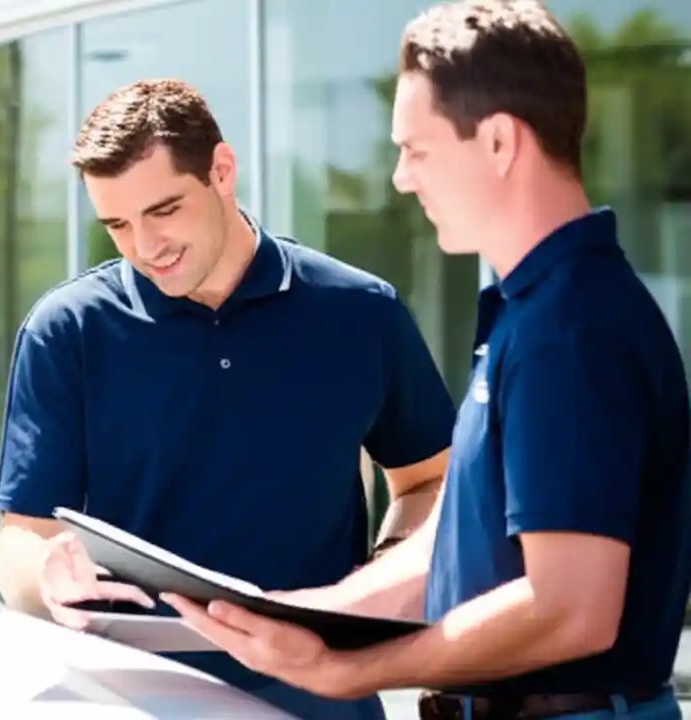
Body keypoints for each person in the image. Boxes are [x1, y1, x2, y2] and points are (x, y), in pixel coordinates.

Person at [163, 3, 691, 719]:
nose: (400, 180)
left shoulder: (571, 330)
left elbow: (571, 609)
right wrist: (304, 615)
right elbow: (457, 540)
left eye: (416, 149)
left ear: (500, 141)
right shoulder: (532, 311)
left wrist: (353, 673)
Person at [0, 77, 456, 719]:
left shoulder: (359, 313)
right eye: (118, 224)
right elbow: (19, 541)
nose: (145, 248)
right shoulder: (68, 331)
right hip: (134, 699)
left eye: (164, 210)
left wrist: (375, 587)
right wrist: (46, 580)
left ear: (222, 171)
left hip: (320, 700)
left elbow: (428, 478)